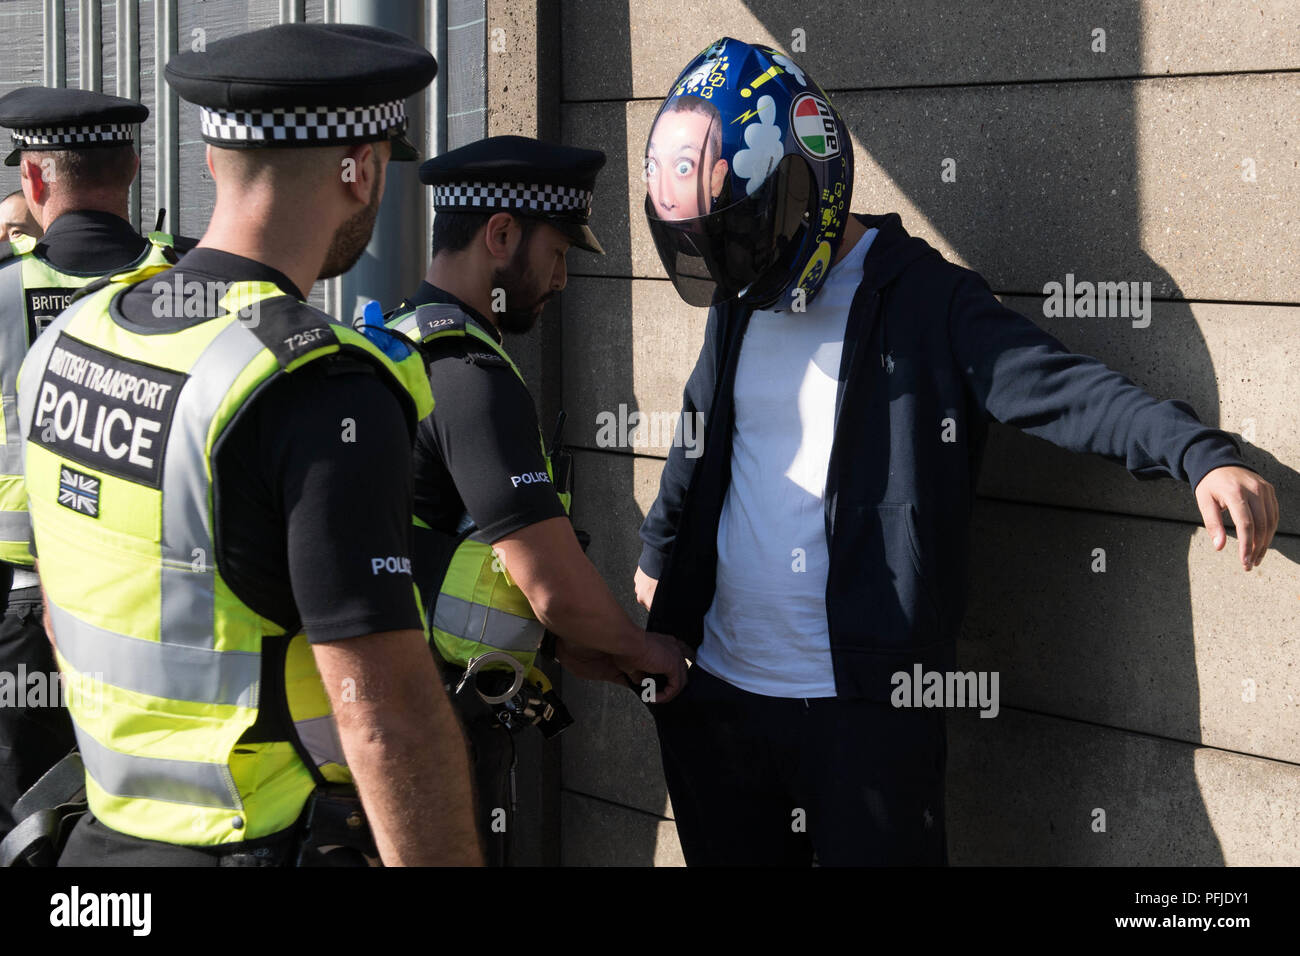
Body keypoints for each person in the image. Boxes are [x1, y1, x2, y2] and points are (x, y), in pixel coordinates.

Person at [635, 38, 1280, 866]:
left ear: (806, 183)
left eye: (738, 235)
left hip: (864, 716)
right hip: (721, 696)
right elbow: (701, 437)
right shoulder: (741, 299)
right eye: (710, 244)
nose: (726, 263)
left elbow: (1062, 388)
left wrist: (1199, 454)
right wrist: (659, 558)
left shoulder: (929, 302)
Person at [15, 22, 479, 866]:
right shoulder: (314, 384)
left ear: (210, 162)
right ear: (363, 169)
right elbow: (384, 717)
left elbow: (62, 601)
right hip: (257, 845)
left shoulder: (73, 337)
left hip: (99, 848)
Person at [385, 134, 688, 866]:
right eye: (556, 255)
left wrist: (575, 647)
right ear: (500, 235)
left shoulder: (397, 342)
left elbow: (441, 554)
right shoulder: (470, 376)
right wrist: (648, 651)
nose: (560, 280)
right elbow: (551, 587)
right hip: (444, 734)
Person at [0, 87, 192, 841]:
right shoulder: (190, 286)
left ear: (35, 182)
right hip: (165, 607)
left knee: (24, 821)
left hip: (25, 603)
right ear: (135, 168)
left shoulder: (5, 290)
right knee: (149, 813)